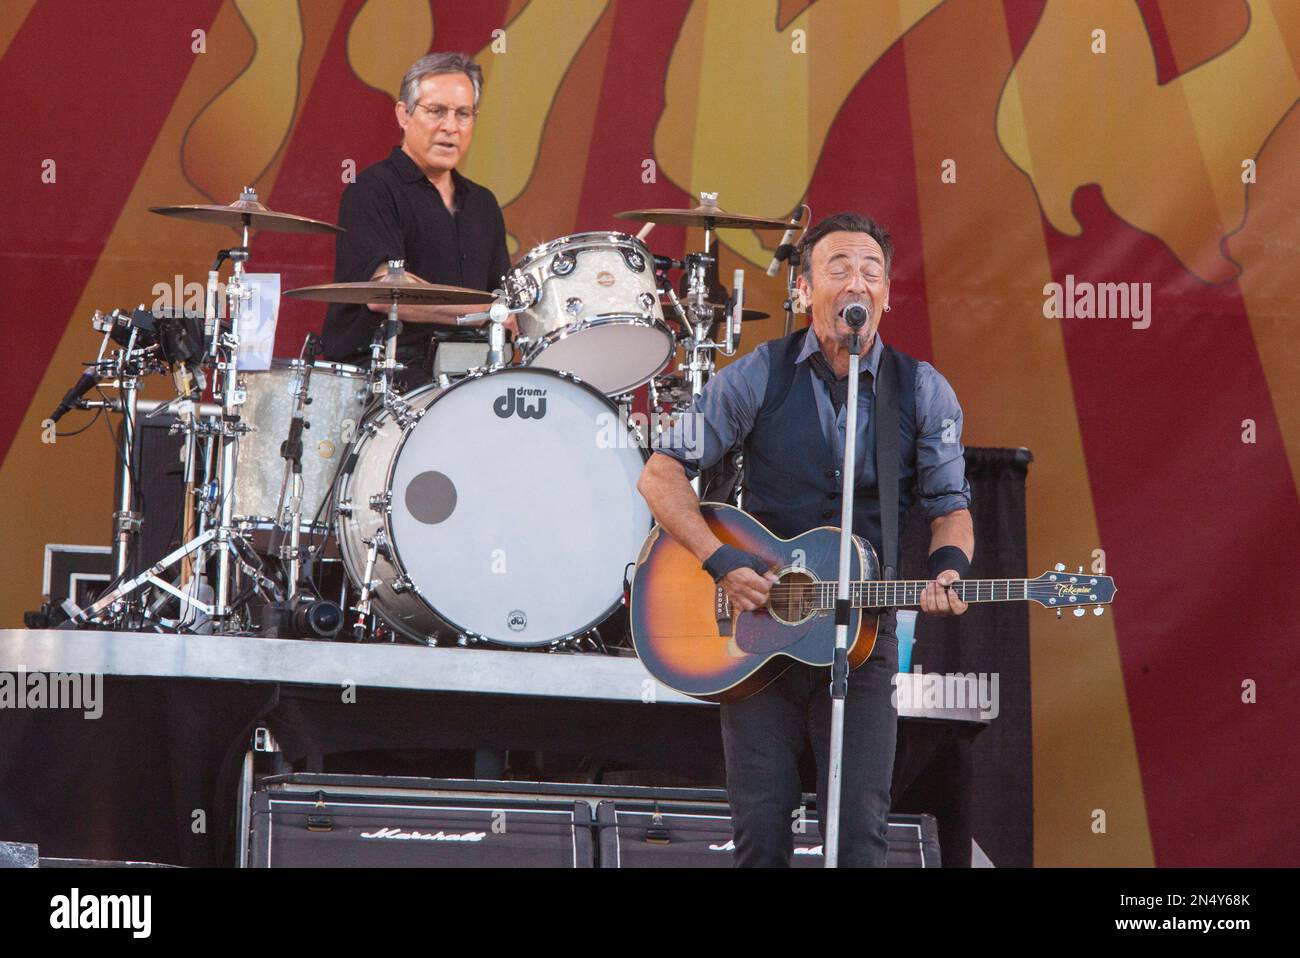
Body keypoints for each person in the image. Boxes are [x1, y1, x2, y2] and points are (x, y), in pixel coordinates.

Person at [637, 212, 974, 867]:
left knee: (857, 840)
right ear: (802, 291)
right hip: (756, 639)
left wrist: (951, 568)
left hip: (858, 643)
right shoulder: (758, 373)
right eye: (839, 268)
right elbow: (660, 475)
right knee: (761, 837)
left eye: (871, 272)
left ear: (886, 295)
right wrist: (722, 561)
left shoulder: (925, 391)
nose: (858, 281)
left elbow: (950, 508)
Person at [322, 51, 513, 387]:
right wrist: (486, 310)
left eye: (463, 114)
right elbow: (384, 294)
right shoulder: (373, 189)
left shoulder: (483, 204)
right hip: (387, 379)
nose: (450, 127)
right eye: (436, 111)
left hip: (469, 378)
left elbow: (504, 297)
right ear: (403, 114)